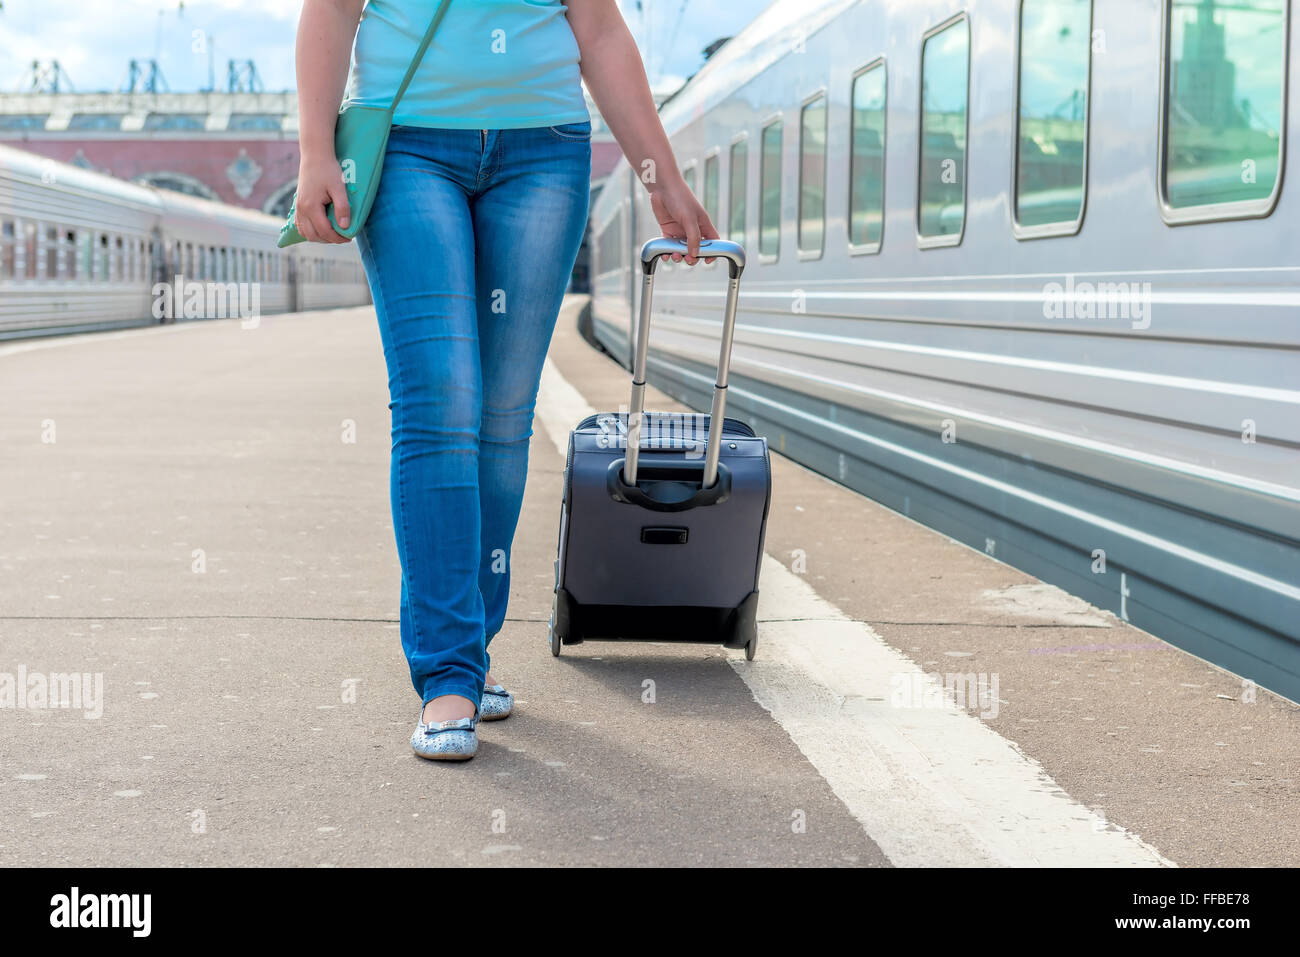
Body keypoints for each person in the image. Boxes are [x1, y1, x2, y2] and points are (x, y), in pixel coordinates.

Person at [293, 0, 718, 760]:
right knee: (439, 403)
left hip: (543, 151)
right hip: (408, 145)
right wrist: (314, 152)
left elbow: (597, 29)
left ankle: (471, 644)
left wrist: (662, 177)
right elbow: (331, 9)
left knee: (500, 418)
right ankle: (448, 673)